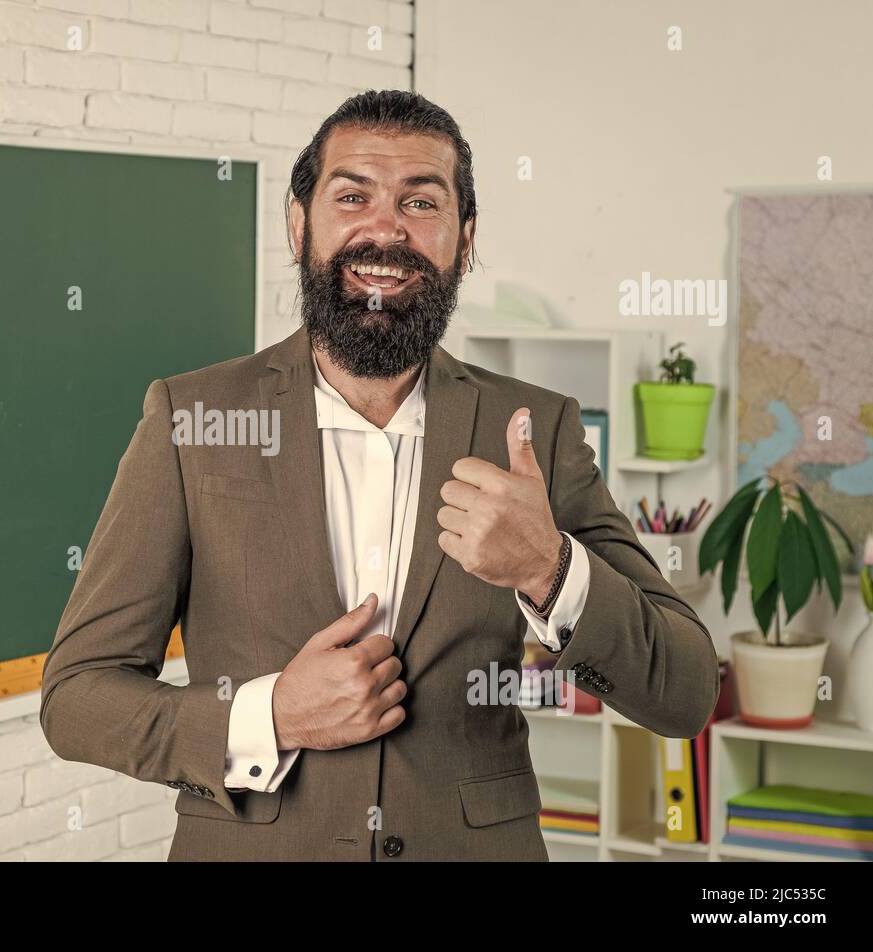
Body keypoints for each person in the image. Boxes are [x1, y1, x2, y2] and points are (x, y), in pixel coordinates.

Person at [39, 90, 720, 862]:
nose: (385, 228)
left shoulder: (534, 431)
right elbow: (77, 698)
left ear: (465, 241)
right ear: (299, 226)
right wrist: (272, 717)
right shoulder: (189, 419)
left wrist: (547, 568)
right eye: (353, 195)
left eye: (420, 202)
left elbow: (686, 691)